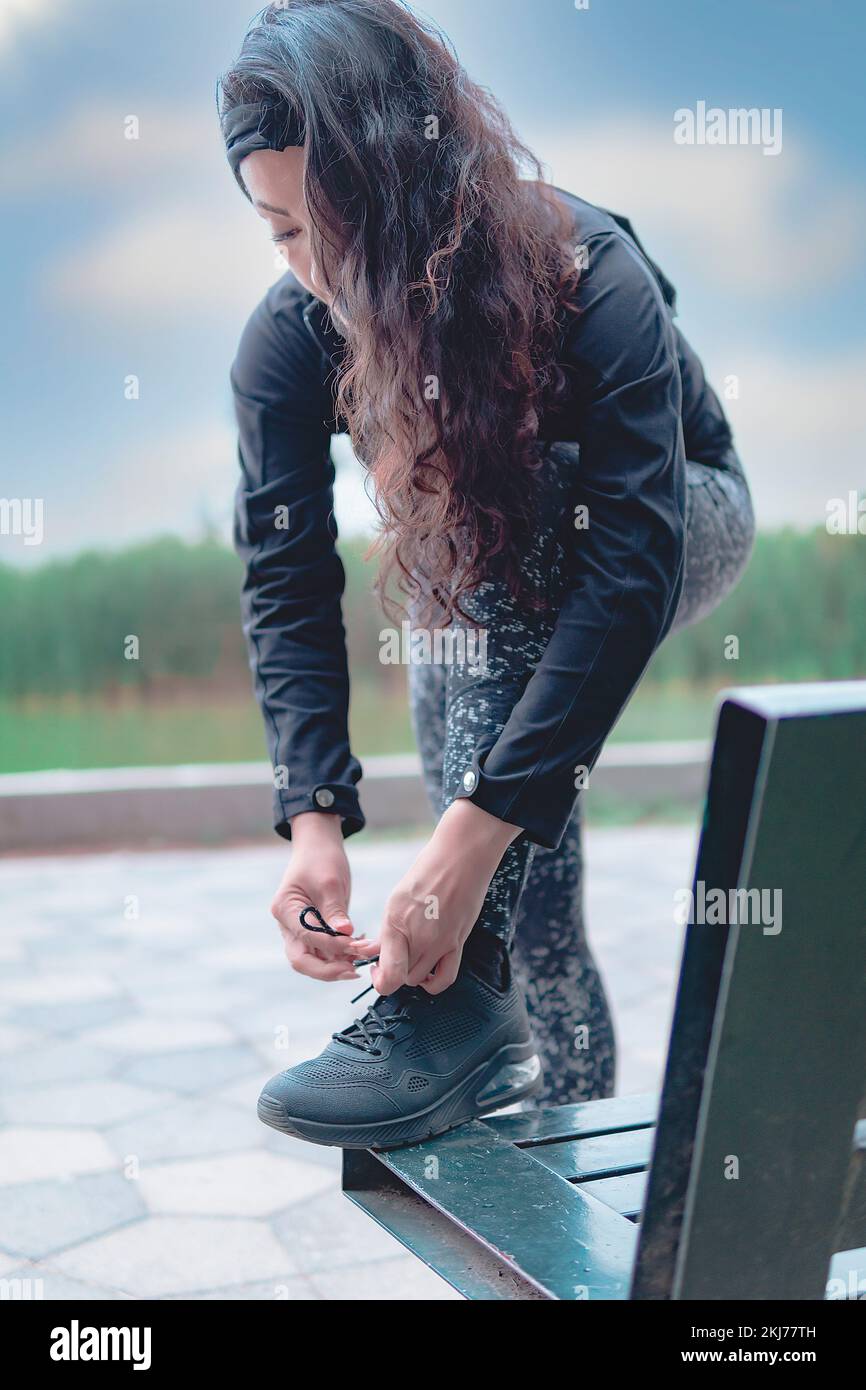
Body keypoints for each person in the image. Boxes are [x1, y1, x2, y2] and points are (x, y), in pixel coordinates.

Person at [218, 0, 755, 1149]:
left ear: (405, 180)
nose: (319, 272)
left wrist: (469, 838)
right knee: (518, 892)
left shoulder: (582, 267)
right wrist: (312, 818)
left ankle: (441, 1005)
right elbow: (286, 575)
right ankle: (551, 1144)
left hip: (672, 515)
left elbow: (632, 555)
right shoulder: (283, 342)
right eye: (279, 233)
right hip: (483, 577)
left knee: (480, 840)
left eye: (336, 222)